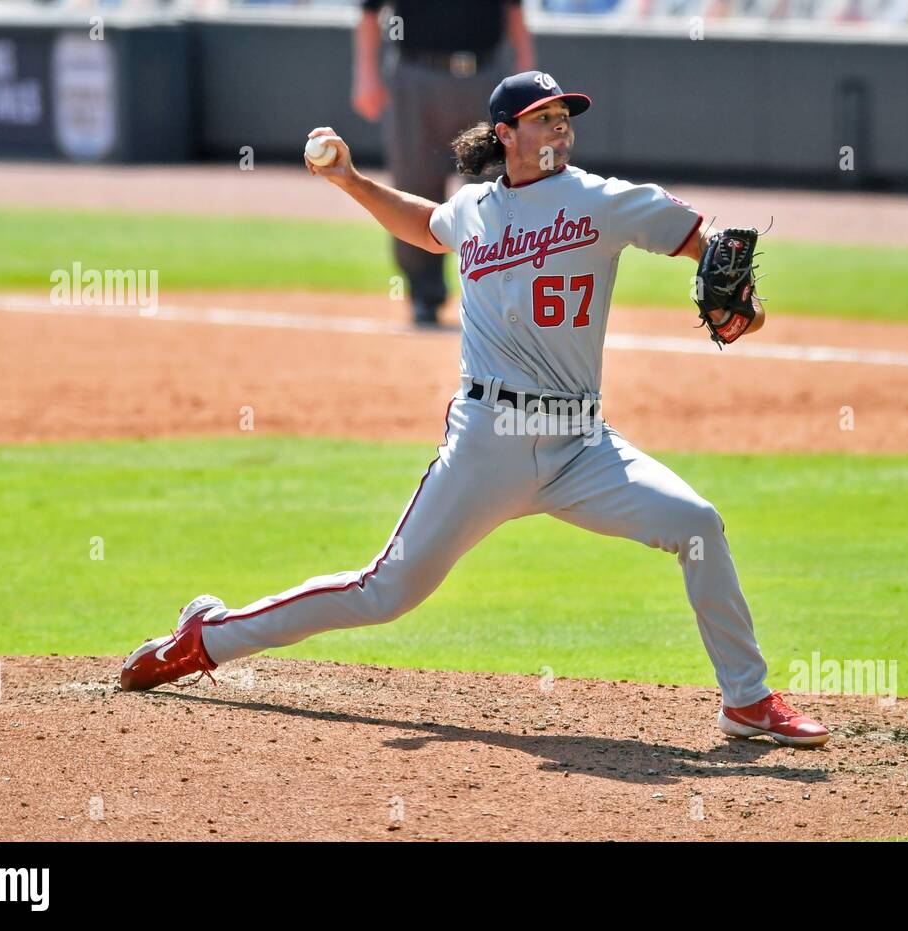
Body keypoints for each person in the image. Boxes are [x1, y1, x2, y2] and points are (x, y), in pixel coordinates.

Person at [121, 71, 831, 748]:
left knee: (696, 523)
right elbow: (426, 222)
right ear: (507, 134)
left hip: (582, 446)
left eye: (565, 117)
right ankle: (205, 637)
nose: (559, 127)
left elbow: (707, 246)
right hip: (487, 442)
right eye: (543, 117)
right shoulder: (475, 209)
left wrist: (746, 305)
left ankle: (747, 697)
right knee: (383, 592)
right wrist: (349, 181)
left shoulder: (603, 201)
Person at [354, 0, 535, 327]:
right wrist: (366, 75)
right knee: (415, 183)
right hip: (416, 74)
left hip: (486, 76)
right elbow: (370, 13)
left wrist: (526, 75)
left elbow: (513, 10)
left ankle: (490, 294)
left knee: (494, 193)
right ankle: (425, 295)